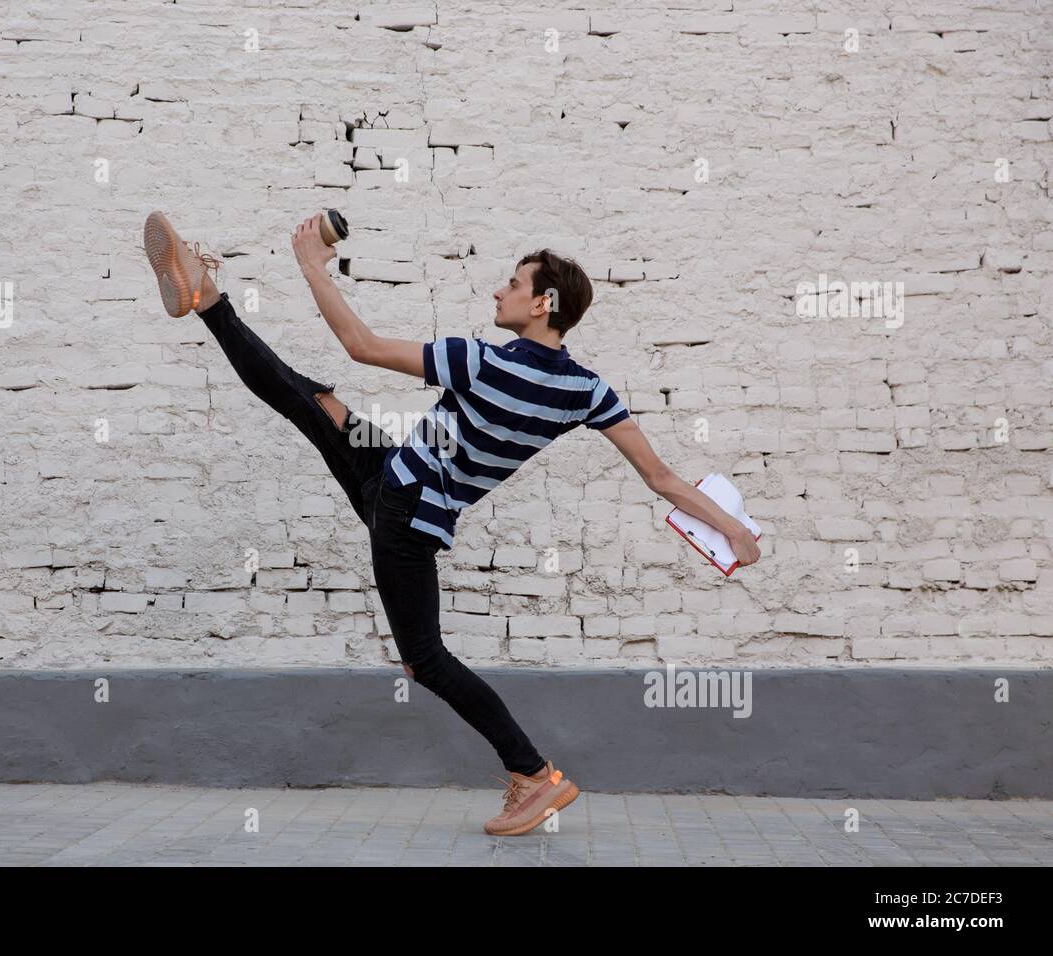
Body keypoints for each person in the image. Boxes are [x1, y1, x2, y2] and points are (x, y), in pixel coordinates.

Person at [142, 211, 762, 836]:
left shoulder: (480, 361)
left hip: (405, 510)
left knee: (426, 660)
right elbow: (661, 478)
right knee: (308, 400)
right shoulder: (588, 392)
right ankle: (206, 295)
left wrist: (311, 267)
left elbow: (362, 345)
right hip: (395, 474)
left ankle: (535, 774)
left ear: (543, 303)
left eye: (514, 283)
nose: (499, 290)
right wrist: (733, 531)